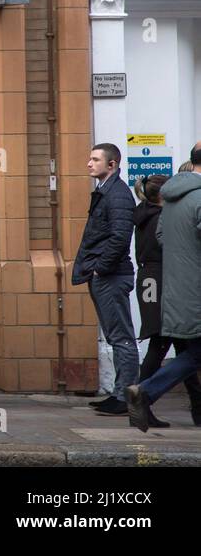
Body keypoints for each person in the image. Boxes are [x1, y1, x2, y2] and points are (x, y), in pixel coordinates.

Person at [126, 148, 201, 431]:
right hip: (191, 289)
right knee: (190, 352)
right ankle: (145, 391)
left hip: (176, 288)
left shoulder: (170, 201)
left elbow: (161, 237)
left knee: (191, 352)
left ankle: (148, 393)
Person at [73, 143, 137, 415]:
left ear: (112, 165)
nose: (89, 164)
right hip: (104, 274)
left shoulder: (118, 194)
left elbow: (120, 236)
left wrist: (100, 267)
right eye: (89, 158)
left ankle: (125, 398)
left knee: (121, 336)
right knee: (115, 335)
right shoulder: (105, 191)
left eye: (95, 159)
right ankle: (119, 393)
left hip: (111, 275)